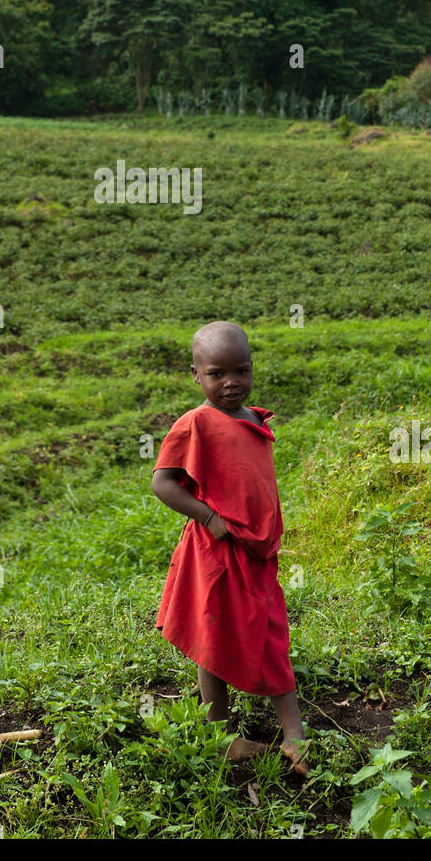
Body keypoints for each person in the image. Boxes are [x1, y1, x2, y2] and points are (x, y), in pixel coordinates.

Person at [151, 320, 309, 773]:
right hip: (216, 553)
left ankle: (293, 737)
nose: (231, 382)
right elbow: (163, 483)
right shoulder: (195, 424)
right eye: (217, 373)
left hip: (256, 553)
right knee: (212, 637)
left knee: (271, 630)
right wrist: (210, 517)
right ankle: (228, 736)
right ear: (196, 375)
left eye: (240, 370)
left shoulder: (251, 420)